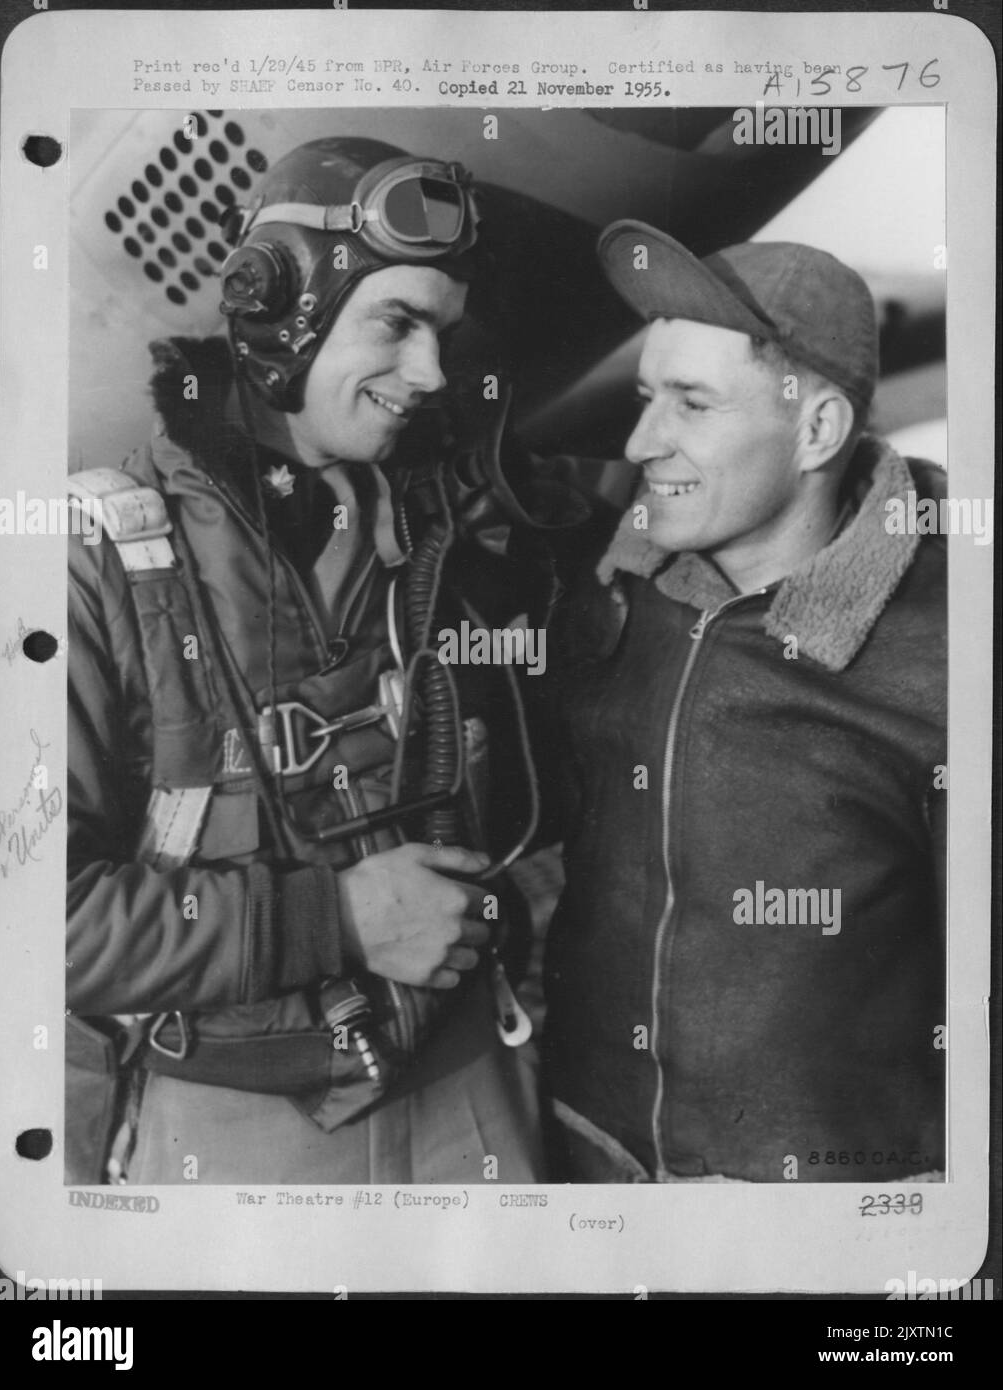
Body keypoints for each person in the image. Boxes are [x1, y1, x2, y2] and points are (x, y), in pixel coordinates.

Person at [66, 136, 565, 1185]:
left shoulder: (453, 518)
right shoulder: (99, 551)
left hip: (473, 1087)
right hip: (236, 1130)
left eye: (442, 331)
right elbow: (39, 922)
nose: (430, 372)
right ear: (279, 302)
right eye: (397, 322)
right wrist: (335, 919)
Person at [538, 223, 946, 1183]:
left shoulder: (954, 641)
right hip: (586, 1168)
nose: (641, 442)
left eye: (691, 402)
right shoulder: (619, 571)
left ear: (816, 432)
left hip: (816, 1221)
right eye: (646, 398)